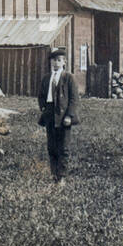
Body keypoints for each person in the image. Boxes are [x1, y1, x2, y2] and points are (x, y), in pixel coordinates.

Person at [36, 47, 79, 185]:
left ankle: (62, 176)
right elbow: (41, 95)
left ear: (64, 62)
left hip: (63, 115)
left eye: (59, 60)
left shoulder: (68, 78)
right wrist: (43, 107)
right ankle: (54, 174)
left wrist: (69, 115)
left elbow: (74, 99)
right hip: (49, 113)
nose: (55, 63)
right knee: (51, 146)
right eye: (53, 60)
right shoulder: (46, 78)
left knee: (63, 147)